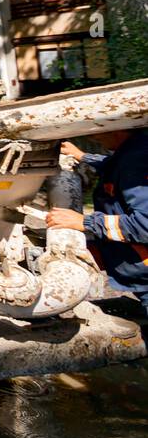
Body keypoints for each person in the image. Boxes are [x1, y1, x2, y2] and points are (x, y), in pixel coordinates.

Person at [48, 129, 148, 315]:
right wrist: (83, 156)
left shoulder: (137, 160)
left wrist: (86, 222)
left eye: (98, 132)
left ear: (119, 128)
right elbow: (116, 164)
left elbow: (145, 225)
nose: (93, 136)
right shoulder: (136, 148)